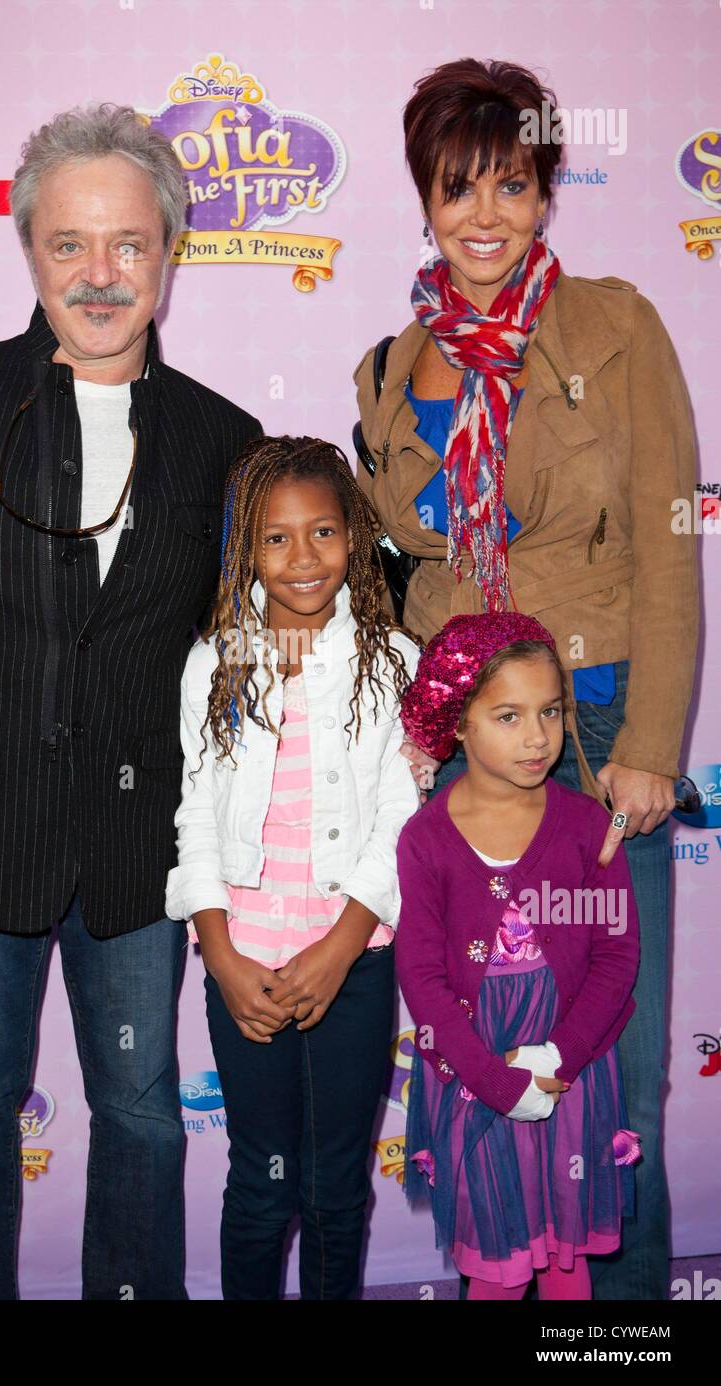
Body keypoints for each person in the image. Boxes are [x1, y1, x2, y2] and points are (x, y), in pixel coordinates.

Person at [0, 102, 262, 1300]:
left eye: (128, 244)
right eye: (70, 244)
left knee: (141, 1111)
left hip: (141, 846)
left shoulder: (225, 439)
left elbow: (248, 659)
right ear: (27, 249)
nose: (100, 273)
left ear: (170, 255)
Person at [353, 58, 697, 1300]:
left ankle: (623, 1321)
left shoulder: (612, 323)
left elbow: (668, 538)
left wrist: (651, 740)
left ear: (548, 190)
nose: (483, 213)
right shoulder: (396, 364)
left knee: (617, 1066)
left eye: (510, 181)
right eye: (459, 186)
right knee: (484, 1054)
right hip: (456, 745)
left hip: (591, 726)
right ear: (425, 198)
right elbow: (393, 564)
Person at [164, 436, 422, 1299]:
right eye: (276, 538)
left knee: (337, 1187)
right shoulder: (218, 664)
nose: (302, 557)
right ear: (245, 546)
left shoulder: (392, 664)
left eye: (322, 532)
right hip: (244, 970)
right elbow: (195, 814)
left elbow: (399, 820)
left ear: (353, 535)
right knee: (262, 1184)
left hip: (351, 965)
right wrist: (222, 957)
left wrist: (344, 943)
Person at [395, 612, 642, 1300]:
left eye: (550, 711)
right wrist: (496, 1081)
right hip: (477, 1071)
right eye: (508, 716)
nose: (538, 737)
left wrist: (557, 1057)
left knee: (567, 1257)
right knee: (497, 1261)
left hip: (574, 1070)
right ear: (458, 723)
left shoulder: (591, 827)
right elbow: (422, 978)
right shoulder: (425, 840)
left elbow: (616, 959)